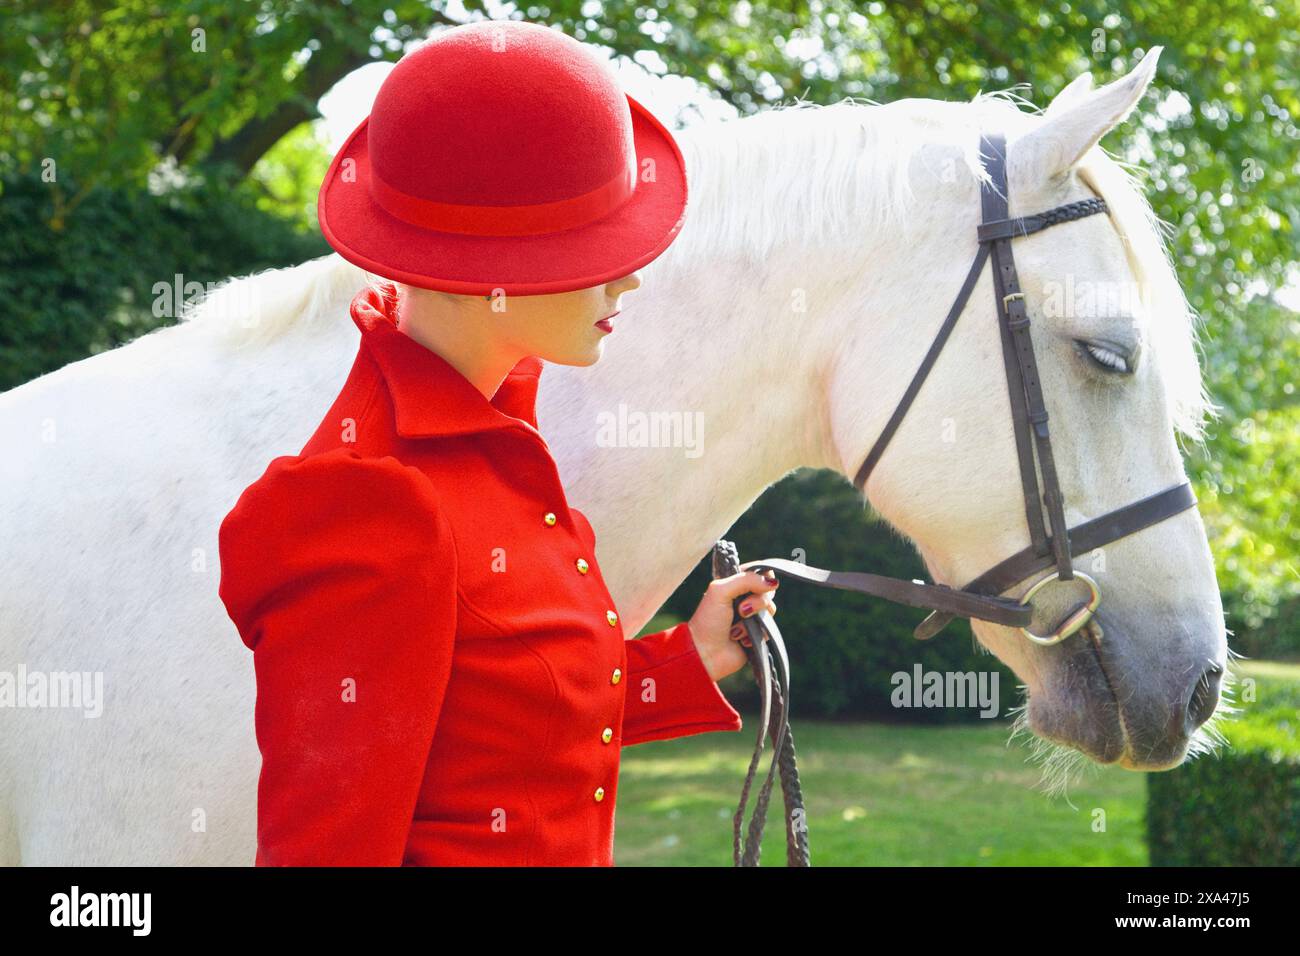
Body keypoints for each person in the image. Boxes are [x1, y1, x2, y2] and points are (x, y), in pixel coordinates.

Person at [217, 19, 779, 866]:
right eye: (596, 250)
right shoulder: (368, 501)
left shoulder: (496, 427)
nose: (629, 275)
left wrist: (691, 658)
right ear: (491, 274)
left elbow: (512, 729)